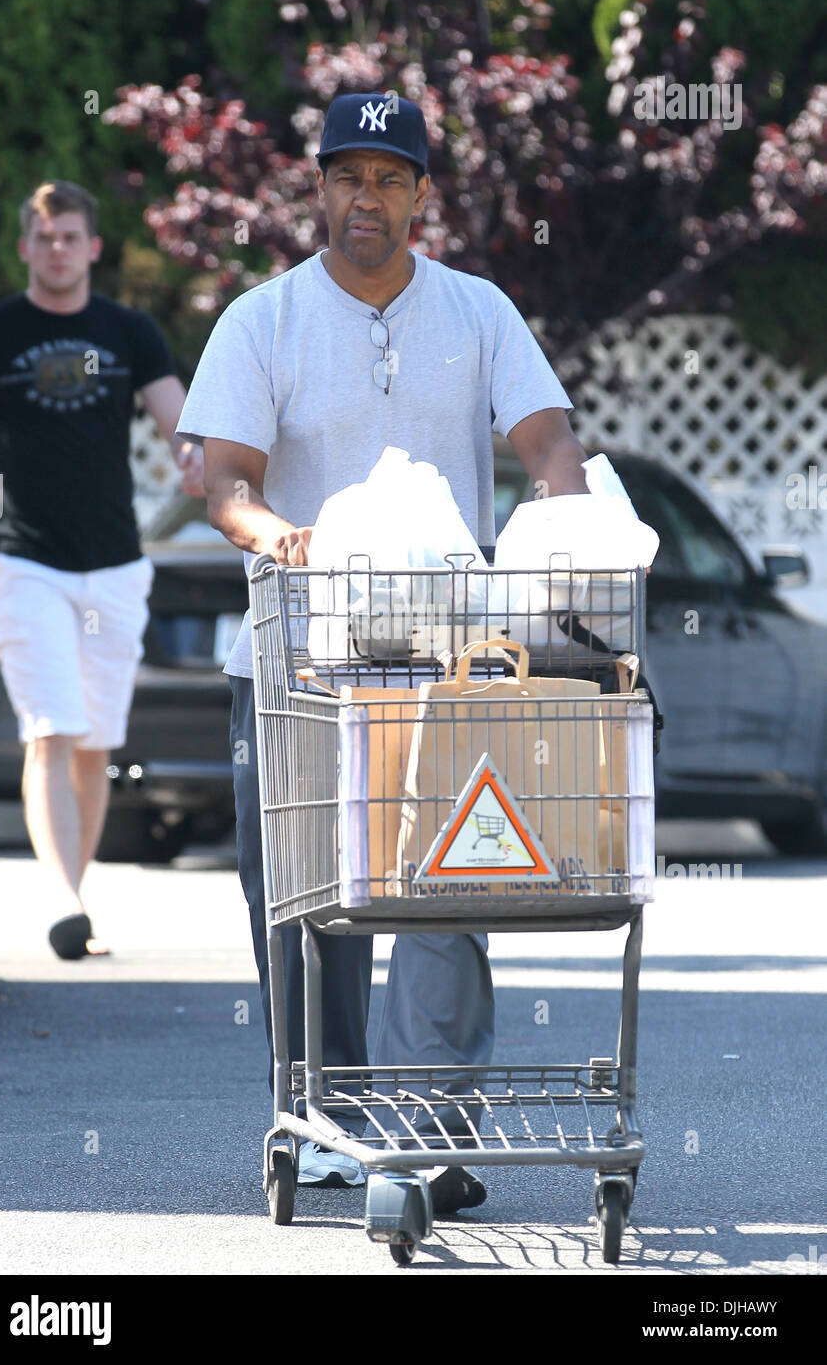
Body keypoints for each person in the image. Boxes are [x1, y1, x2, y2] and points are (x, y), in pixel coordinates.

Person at [177, 93, 589, 1213]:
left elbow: (548, 439)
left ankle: (428, 1122)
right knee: (311, 897)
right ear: (319, 189)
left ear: (420, 196)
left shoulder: (479, 309)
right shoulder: (263, 320)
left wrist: (574, 520)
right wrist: (287, 540)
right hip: (300, 653)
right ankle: (322, 1120)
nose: (369, 197)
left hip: (446, 661)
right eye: (348, 176)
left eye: (391, 177)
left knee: (446, 879)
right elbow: (226, 484)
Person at [0, 180, 204, 959]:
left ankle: (79, 889)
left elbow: (182, 428)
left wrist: (201, 463)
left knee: (95, 742)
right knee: (51, 731)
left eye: (70, 237)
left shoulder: (128, 332)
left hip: (116, 569)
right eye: (44, 238)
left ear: (91, 246)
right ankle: (65, 903)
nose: (57, 250)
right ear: (25, 247)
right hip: (28, 564)